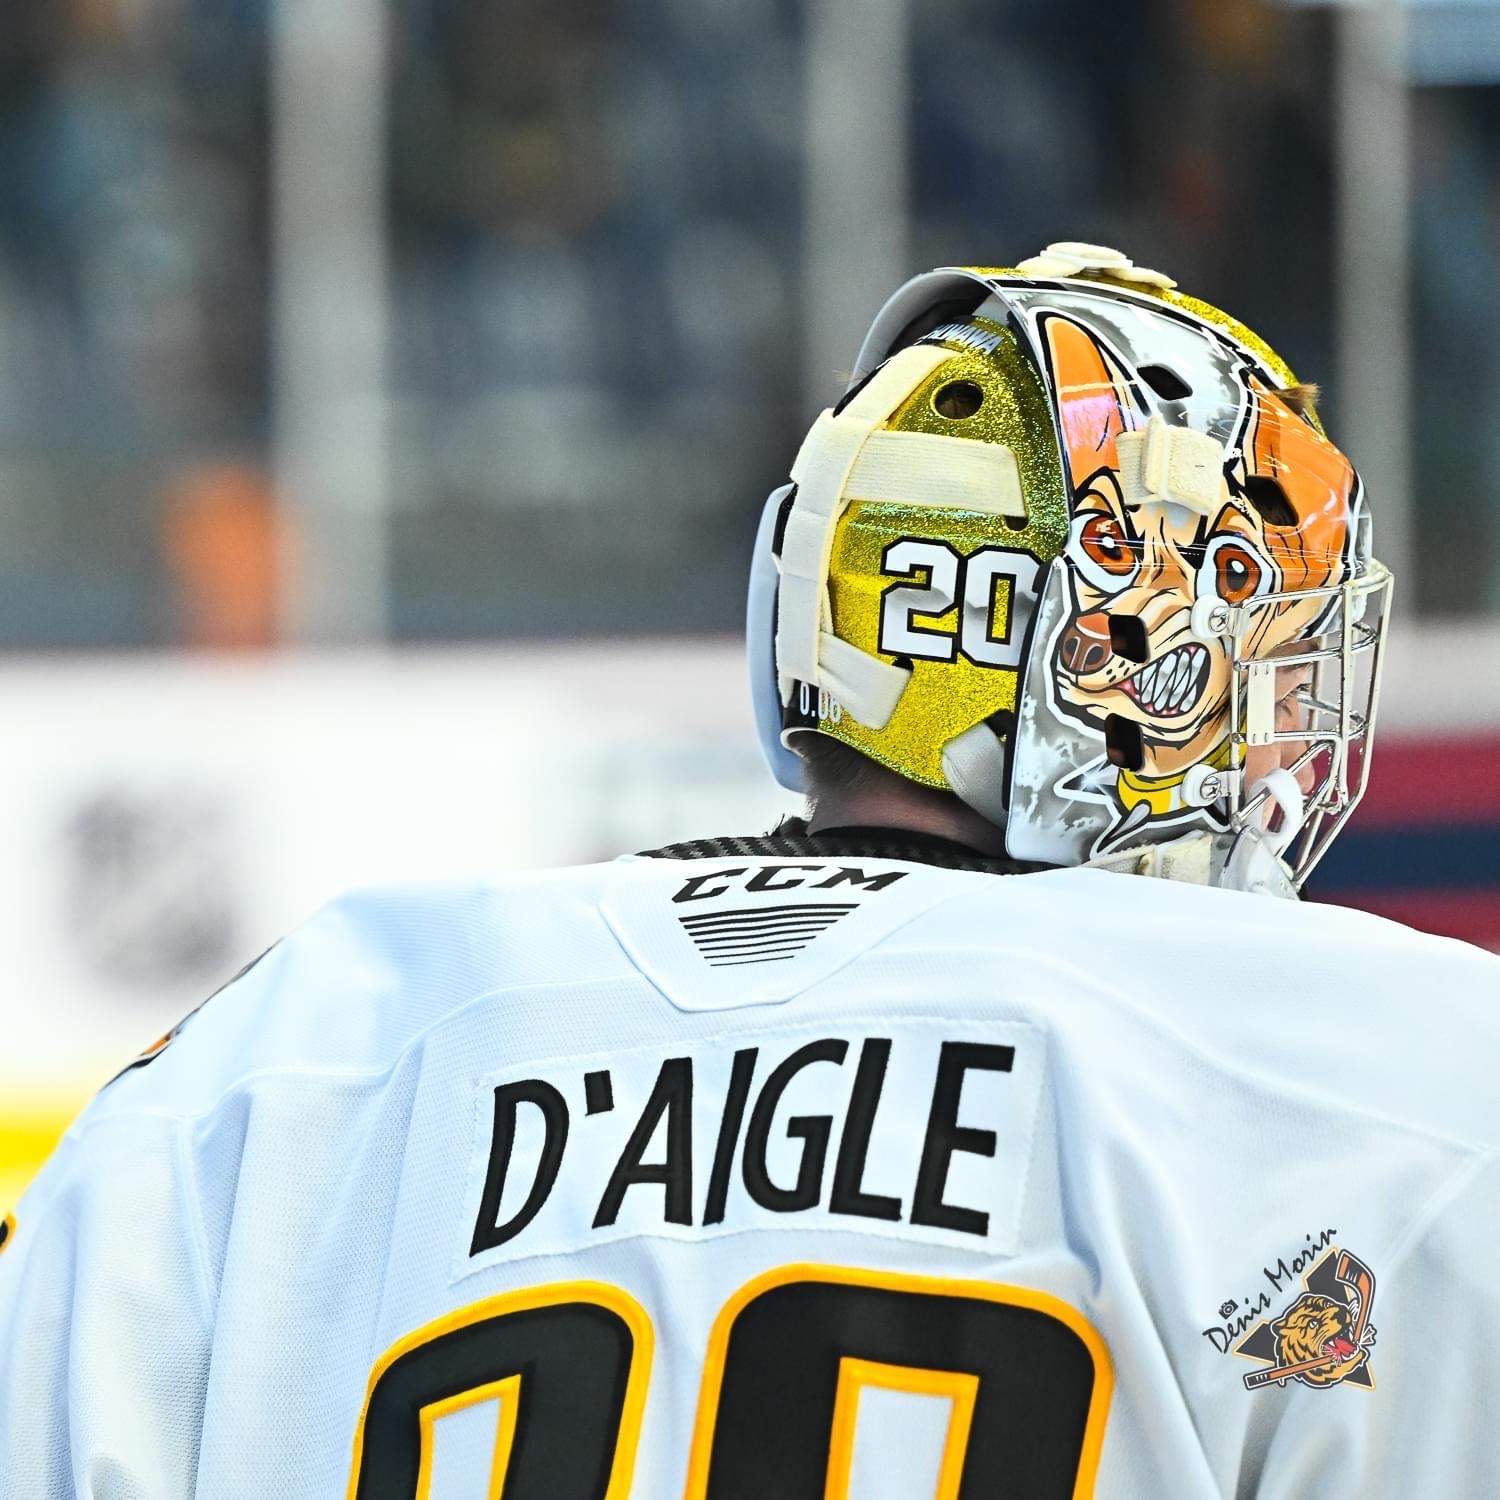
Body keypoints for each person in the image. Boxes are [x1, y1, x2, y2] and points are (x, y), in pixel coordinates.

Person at [1, 243, 1497, 1498]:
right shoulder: (1391, 1082)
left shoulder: (265, 1074)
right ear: (1091, 644)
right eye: (1247, 600)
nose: (1290, 706)